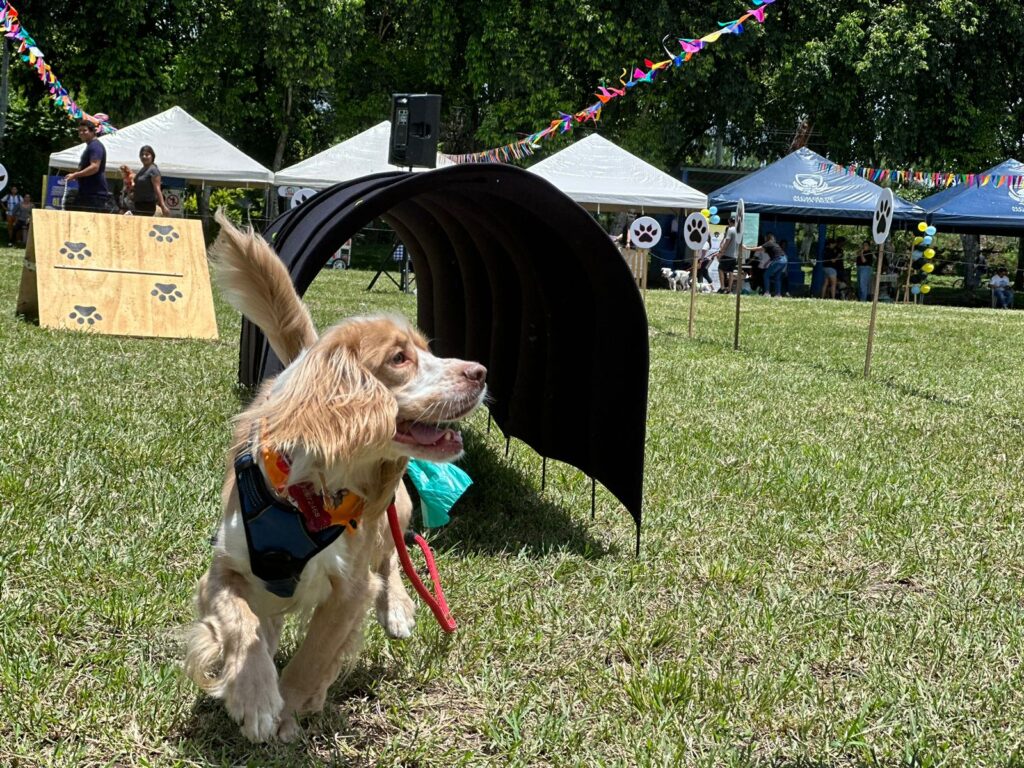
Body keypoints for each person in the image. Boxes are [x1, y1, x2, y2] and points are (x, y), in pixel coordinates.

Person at [64, 120, 112, 213]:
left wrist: (76, 175)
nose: (81, 133)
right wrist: (78, 175)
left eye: (84, 130)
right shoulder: (90, 146)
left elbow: (94, 167)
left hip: (95, 194)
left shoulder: (95, 146)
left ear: (93, 131)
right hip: (87, 193)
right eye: (79, 131)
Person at [133, 145, 170, 216]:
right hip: (137, 204)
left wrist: (163, 206)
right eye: (142, 155)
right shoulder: (142, 170)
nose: (144, 156)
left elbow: (157, 189)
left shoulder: (153, 170)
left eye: (147, 155)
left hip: (147, 205)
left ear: (152, 156)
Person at [751, 233, 786, 297]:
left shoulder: (769, 243)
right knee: (777, 277)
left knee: (766, 275)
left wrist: (746, 248)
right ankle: (778, 294)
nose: (764, 239)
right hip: (784, 260)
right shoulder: (775, 244)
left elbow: (759, 248)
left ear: (767, 238)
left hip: (778, 260)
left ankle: (767, 293)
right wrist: (767, 263)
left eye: (765, 238)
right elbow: (773, 256)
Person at [717, 213, 740, 293]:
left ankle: (722, 287)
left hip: (727, 255)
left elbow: (727, 243)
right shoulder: (739, 231)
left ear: (729, 221)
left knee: (720, 269)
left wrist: (721, 252)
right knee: (731, 272)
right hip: (735, 256)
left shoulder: (730, 230)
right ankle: (729, 289)